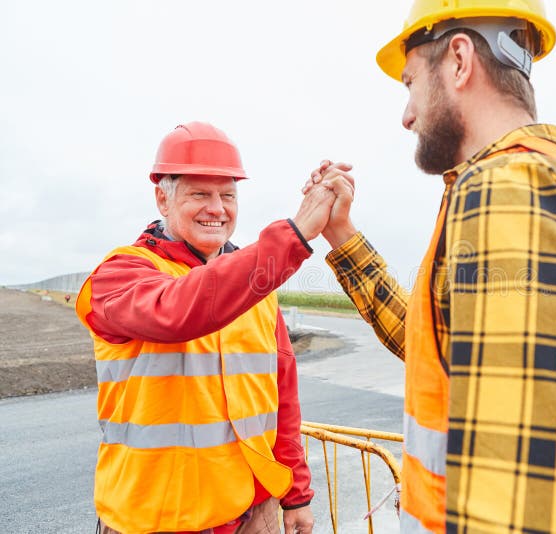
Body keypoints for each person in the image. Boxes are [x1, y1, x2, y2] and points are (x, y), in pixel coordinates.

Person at [306, 1, 556, 532]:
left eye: (409, 84)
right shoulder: (525, 183)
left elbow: (519, 513)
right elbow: (431, 342)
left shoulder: (507, 192)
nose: (406, 116)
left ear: (459, 60)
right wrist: (341, 235)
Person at [76, 121, 351, 534]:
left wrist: (296, 494)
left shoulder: (254, 283)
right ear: (162, 199)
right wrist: (295, 234)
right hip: (154, 521)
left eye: (228, 195)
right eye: (199, 194)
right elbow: (179, 310)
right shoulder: (122, 274)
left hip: (251, 513)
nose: (217, 208)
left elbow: (282, 399)